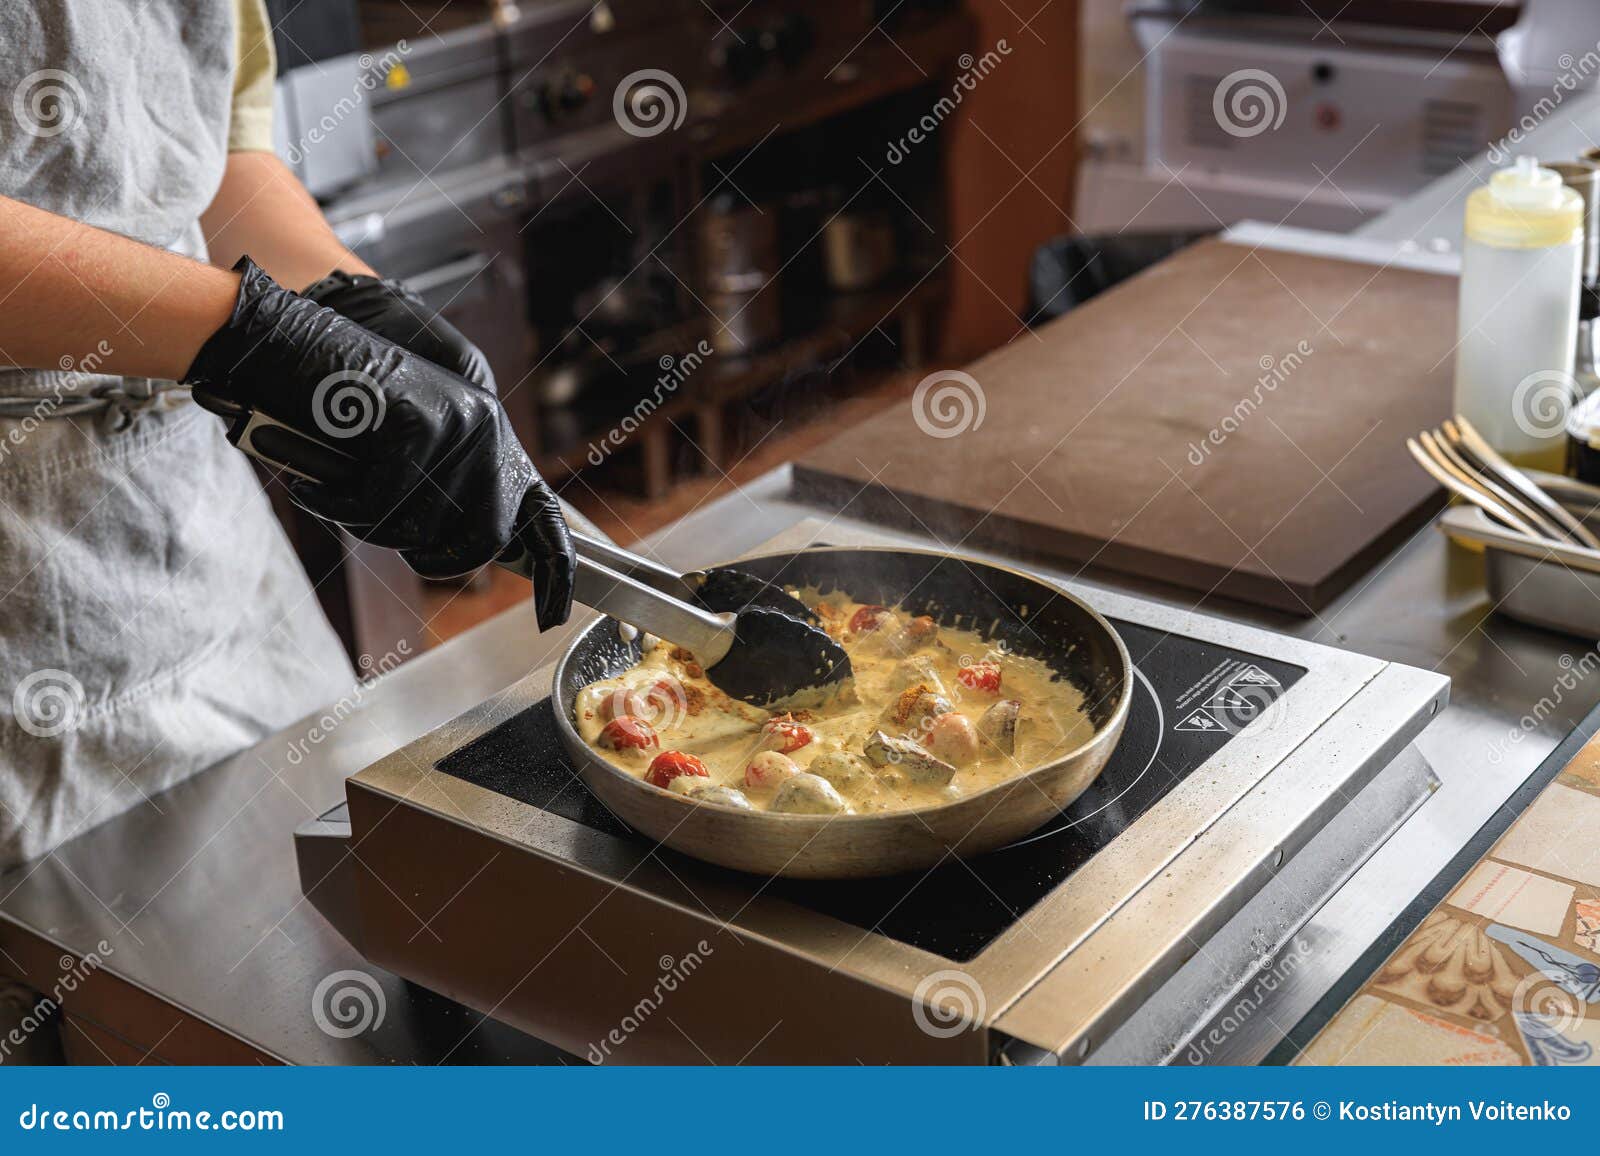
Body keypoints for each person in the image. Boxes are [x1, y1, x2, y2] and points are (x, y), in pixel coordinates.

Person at [0, 3, 574, 1060]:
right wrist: (245, 338)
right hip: (20, 611)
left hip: (196, 535)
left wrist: (340, 299)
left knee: (349, 982)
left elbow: (216, 157)